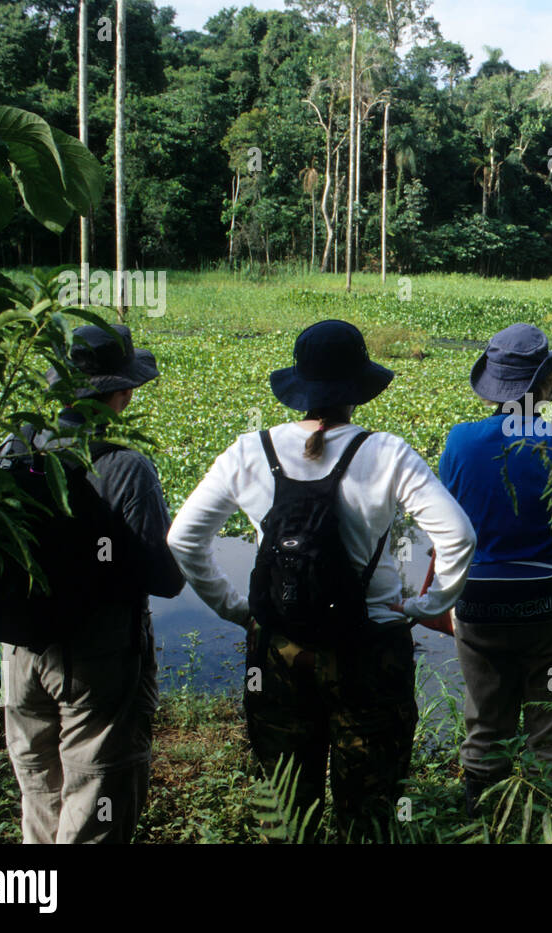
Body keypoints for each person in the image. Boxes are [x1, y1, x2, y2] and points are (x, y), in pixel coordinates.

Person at [166, 320, 475, 839]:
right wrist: (427, 605)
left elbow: (183, 540)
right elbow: (458, 535)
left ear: (301, 387)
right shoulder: (387, 452)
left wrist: (237, 610)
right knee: (370, 802)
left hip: (279, 646)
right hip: (371, 646)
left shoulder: (249, 450)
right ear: (357, 389)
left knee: (288, 803)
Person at [3, 324, 186, 844]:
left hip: (20, 651)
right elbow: (164, 578)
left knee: (39, 790)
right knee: (96, 799)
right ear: (121, 392)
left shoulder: (12, 447)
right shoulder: (125, 466)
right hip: (97, 658)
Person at [437, 323, 552, 816]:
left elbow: (449, 515)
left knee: (486, 713)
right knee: (551, 713)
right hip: (549, 605)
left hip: (479, 604)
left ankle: (481, 813)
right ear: (548, 382)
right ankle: (550, 814)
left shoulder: (461, 442)